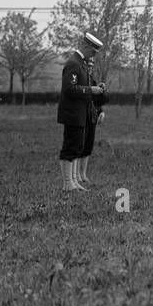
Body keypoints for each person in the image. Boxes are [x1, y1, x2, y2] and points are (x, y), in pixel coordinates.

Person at [57, 32, 105, 193]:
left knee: (77, 146)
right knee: (70, 147)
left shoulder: (82, 64)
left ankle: (73, 181)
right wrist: (90, 89)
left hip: (80, 113)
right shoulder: (73, 64)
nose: (93, 55)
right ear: (85, 46)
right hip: (72, 113)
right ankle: (67, 183)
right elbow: (69, 89)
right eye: (93, 51)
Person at [78, 55, 108, 189]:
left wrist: (101, 110)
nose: (90, 68)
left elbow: (97, 101)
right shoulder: (79, 80)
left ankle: (83, 175)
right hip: (80, 117)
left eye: (91, 66)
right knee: (80, 145)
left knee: (88, 145)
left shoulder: (92, 80)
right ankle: (76, 175)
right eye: (87, 65)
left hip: (92, 118)